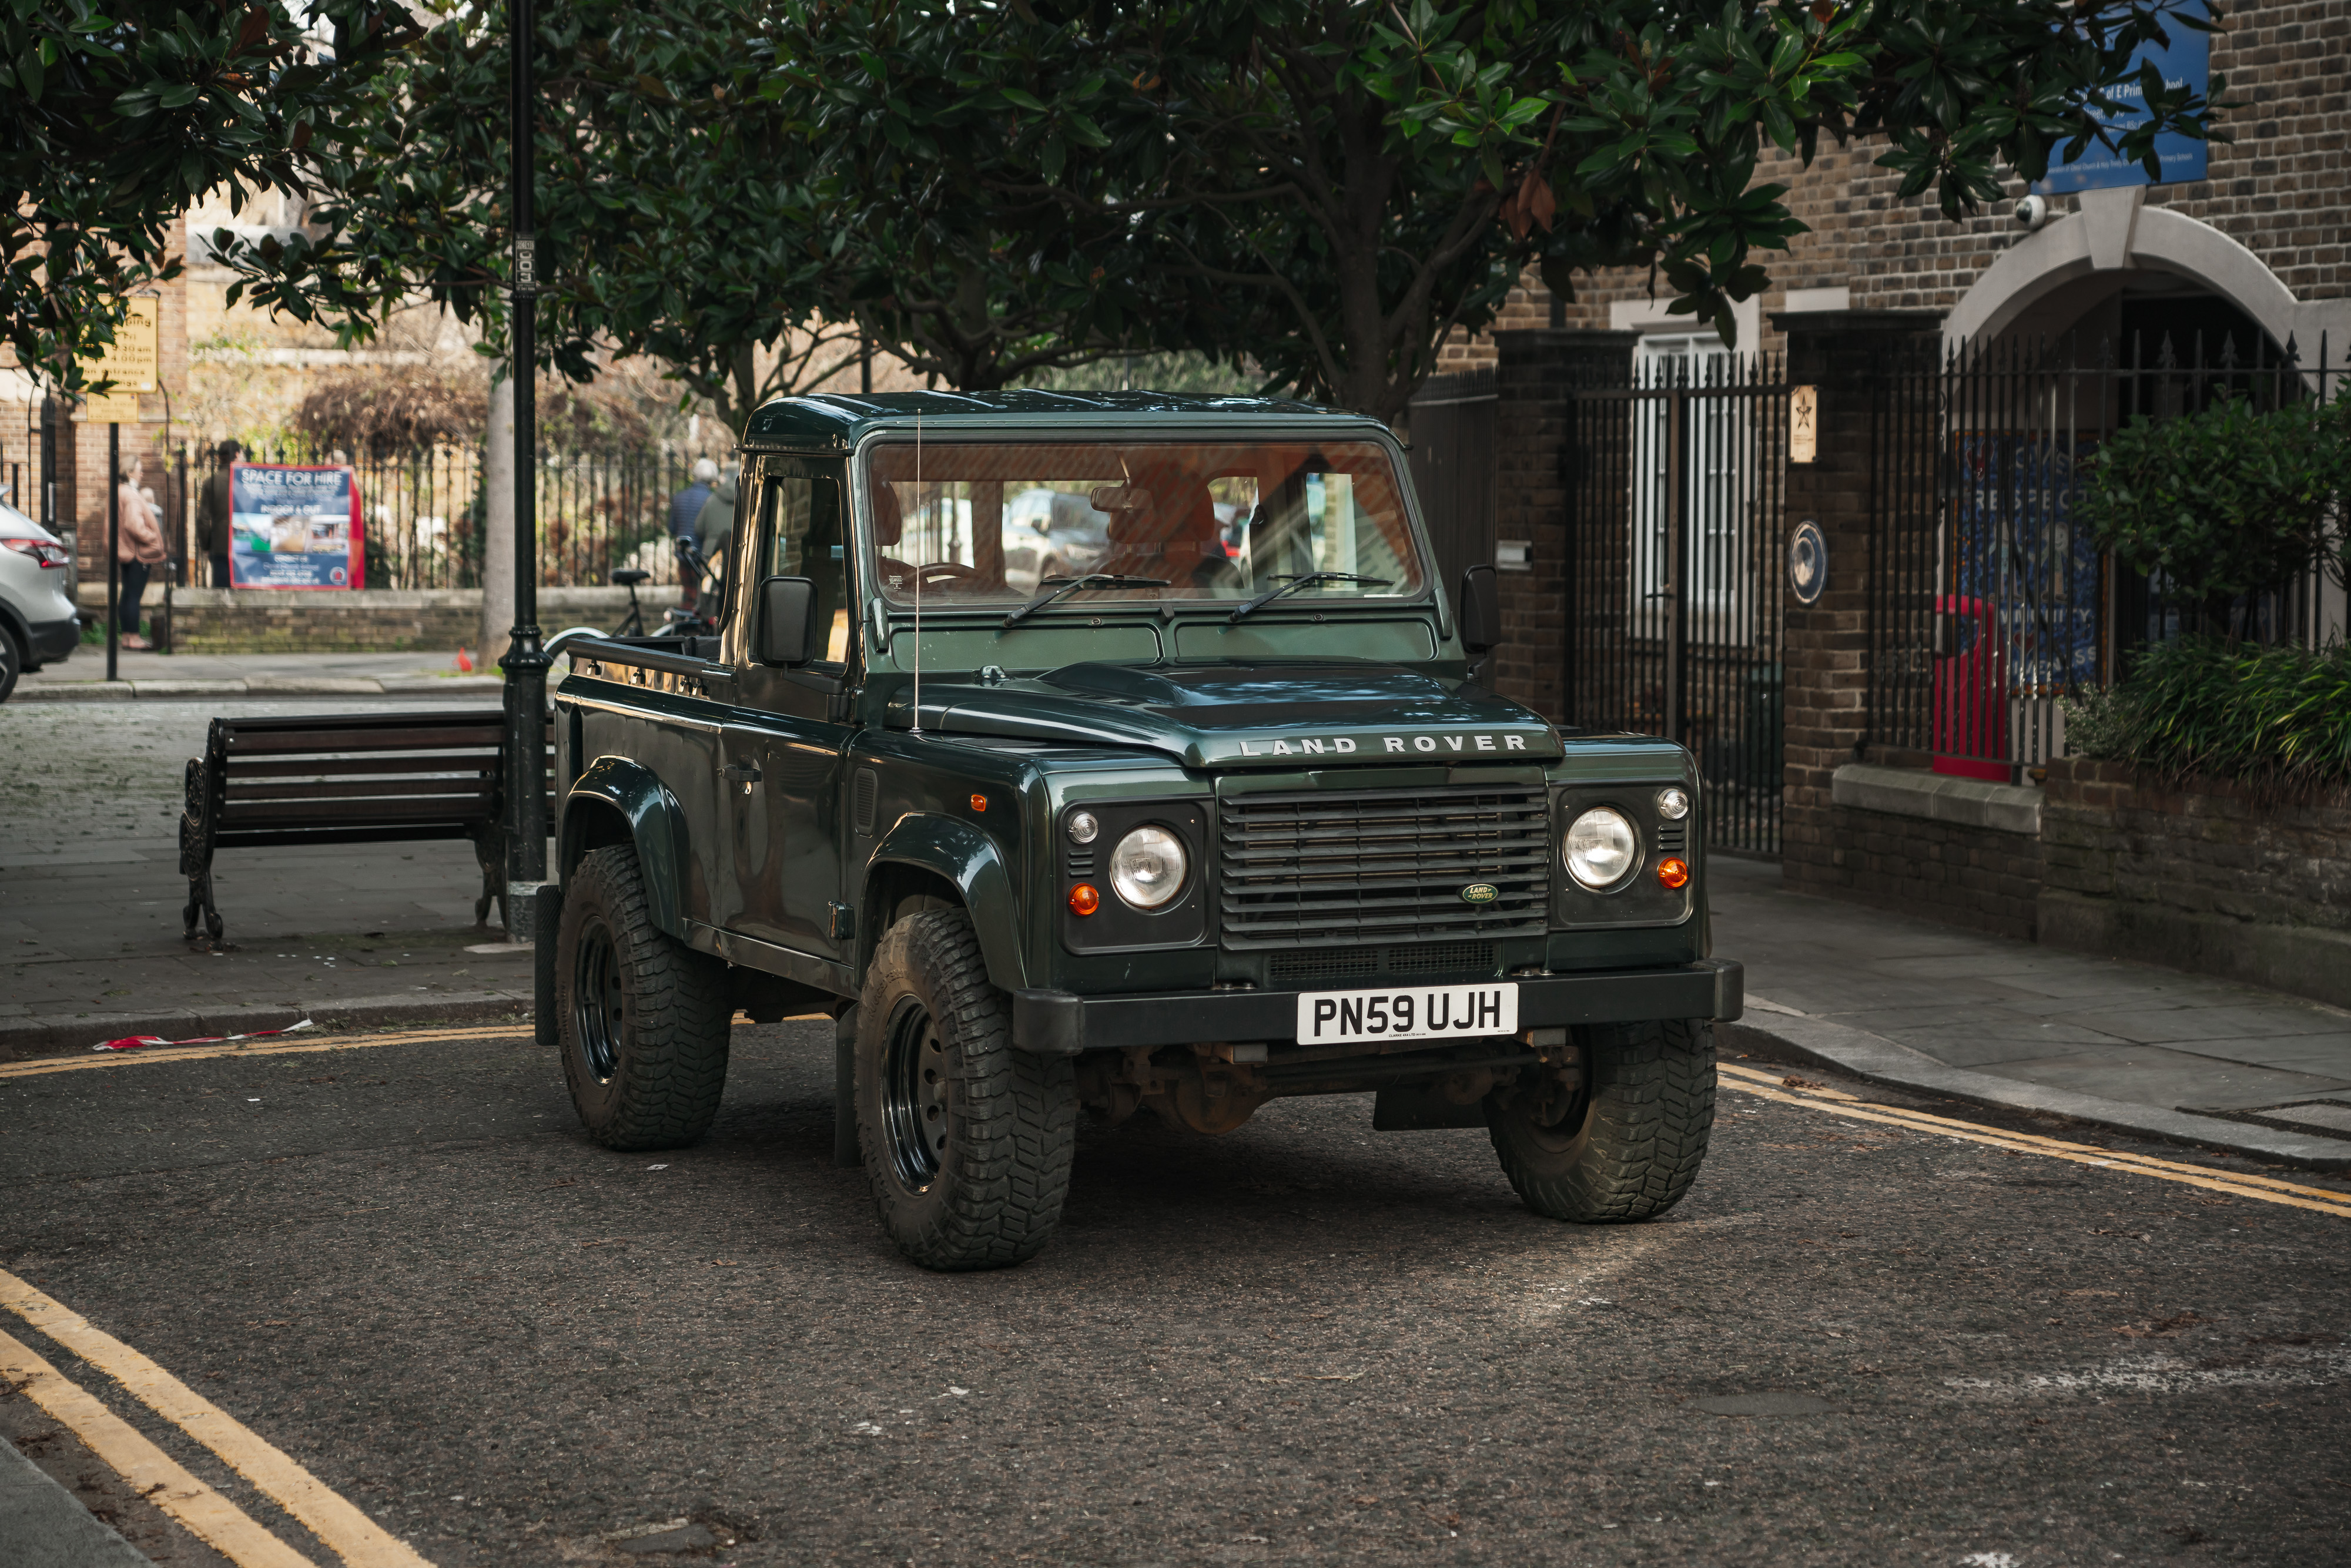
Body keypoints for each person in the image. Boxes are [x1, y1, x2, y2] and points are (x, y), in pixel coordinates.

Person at [116, 454, 166, 650]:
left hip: (126, 550)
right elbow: (134, 525)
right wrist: (152, 537)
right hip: (137, 552)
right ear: (130, 473)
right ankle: (134, 638)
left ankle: (127, 637)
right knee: (134, 596)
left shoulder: (119, 491)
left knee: (128, 593)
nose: (142, 472)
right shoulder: (131, 494)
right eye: (139, 469)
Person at [669, 458, 716, 611]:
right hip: (701, 556)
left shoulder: (679, 497)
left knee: (688, 593)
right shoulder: (711, 499)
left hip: (683, 555)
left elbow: (672, 528)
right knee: (699, 595)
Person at [194, 440, 241, 587]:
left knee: (221, 593)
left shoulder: (211, 482)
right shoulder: (246, 482)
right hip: (245, 546)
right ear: (237, 455)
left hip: (219, 546)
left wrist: (206, 545)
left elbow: (203, 519)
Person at [693, 468, 738, 602]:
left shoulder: (712, 500)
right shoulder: (746, 500)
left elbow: (699, 529)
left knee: (708, 594)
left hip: (712, 554)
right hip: (737, 553)